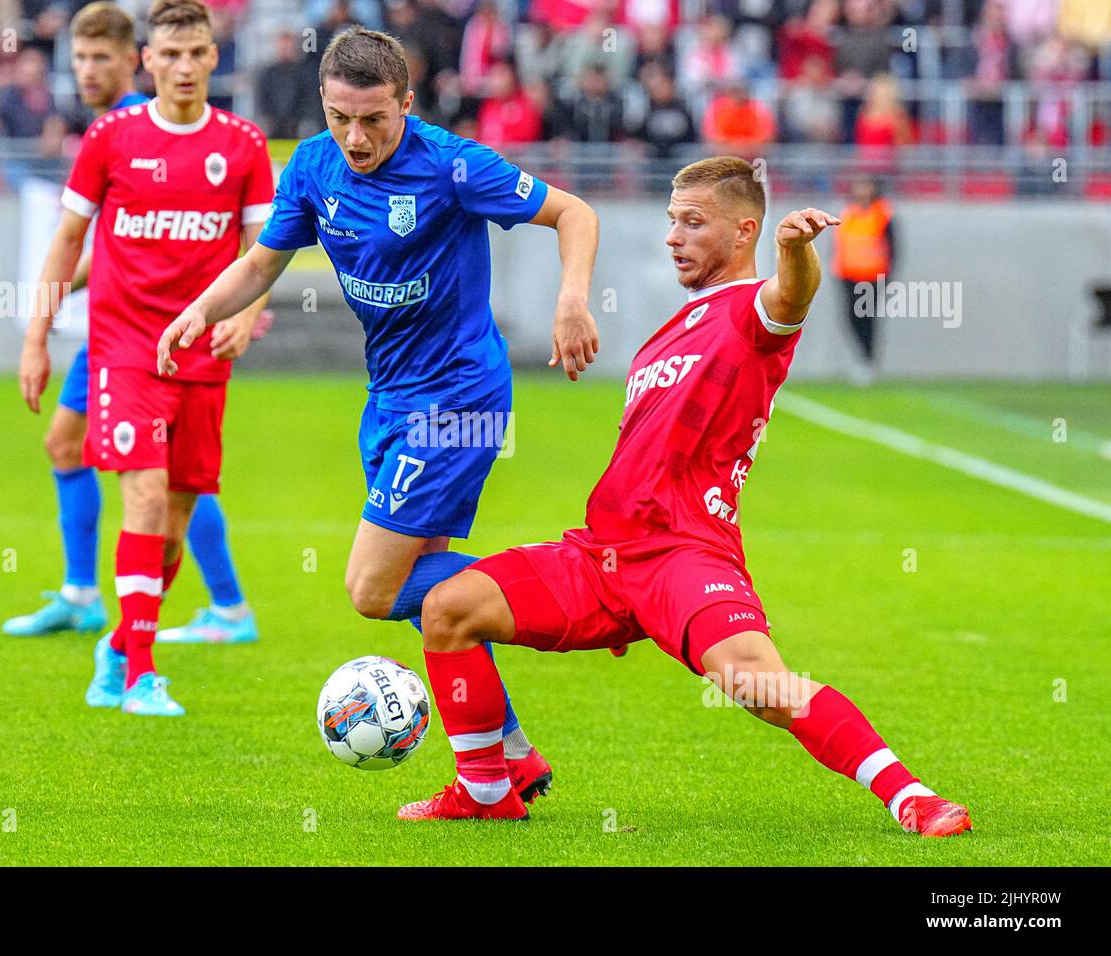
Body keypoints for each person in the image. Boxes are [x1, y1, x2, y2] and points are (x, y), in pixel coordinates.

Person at [396, 157, 971, 839]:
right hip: (599, 558)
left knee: (759, 684)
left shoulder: (751, 310)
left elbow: (791, 301)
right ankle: (486, 790)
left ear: (742, 232)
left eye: (694, 222)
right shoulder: (666, 335)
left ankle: (910, 796)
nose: (674, 235)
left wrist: (793, 254)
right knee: (448, 609)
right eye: (672, 220)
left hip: (684, 556)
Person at [157, 27, 601, 801]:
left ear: (406, 103)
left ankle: (575, 592)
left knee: (370, 588)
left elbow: (575, 214)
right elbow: (265, 259)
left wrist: (570, 301)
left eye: (373, 120)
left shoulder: (452, 164)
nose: (355, 138)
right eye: (339, 118)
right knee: (428, 603)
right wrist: (198, 310)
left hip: (457, 398)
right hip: (390, 397)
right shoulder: (312, 165)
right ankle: (502, 768)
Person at [18, 0, 274, 715]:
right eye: (172, 55)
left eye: (197, 53)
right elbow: (68, 244)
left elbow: (265, 256)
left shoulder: (245, 145)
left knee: (175, 519)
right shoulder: (110, 137)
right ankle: (140, 676)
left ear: (214, 58)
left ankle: (120, 647)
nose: (185, 67)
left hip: (203, 351)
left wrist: (247, 314)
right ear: (149, 61)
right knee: (146, 496)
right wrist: (37, 339)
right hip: (125, 349)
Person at [832, 174, 894, 384]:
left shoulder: (882, 214)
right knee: (850, 317)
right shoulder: (848, 213)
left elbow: (893, 247)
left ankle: (868, 361)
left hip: (872, 275)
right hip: (848, 274)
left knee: (866, 318)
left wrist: (888, 276)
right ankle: (863, 357)